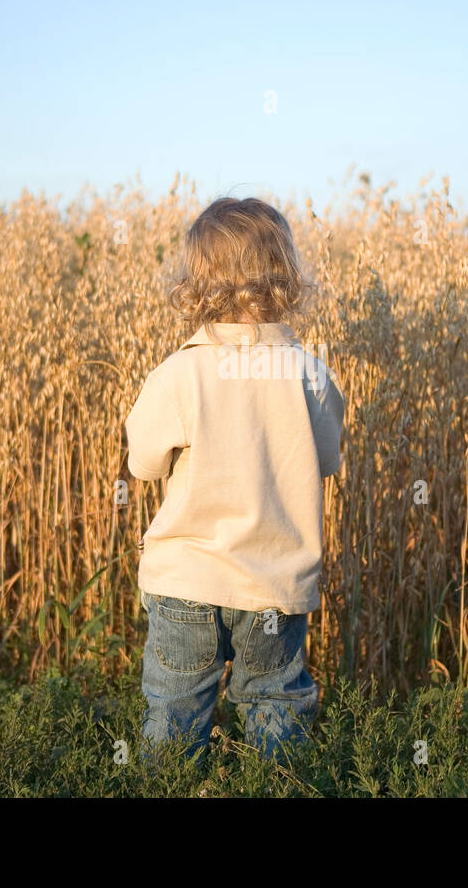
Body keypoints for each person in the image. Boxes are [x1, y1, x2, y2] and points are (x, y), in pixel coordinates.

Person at [124, 196, 345, 762]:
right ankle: (280, 783)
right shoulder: (310, 373)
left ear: (196, 280)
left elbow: (142, 464)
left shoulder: (180, 373)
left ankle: (169, 781)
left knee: (174, 712)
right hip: (274, 584)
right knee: (275, 702)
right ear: (283, 272)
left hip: (187, 582)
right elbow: (323, 459)